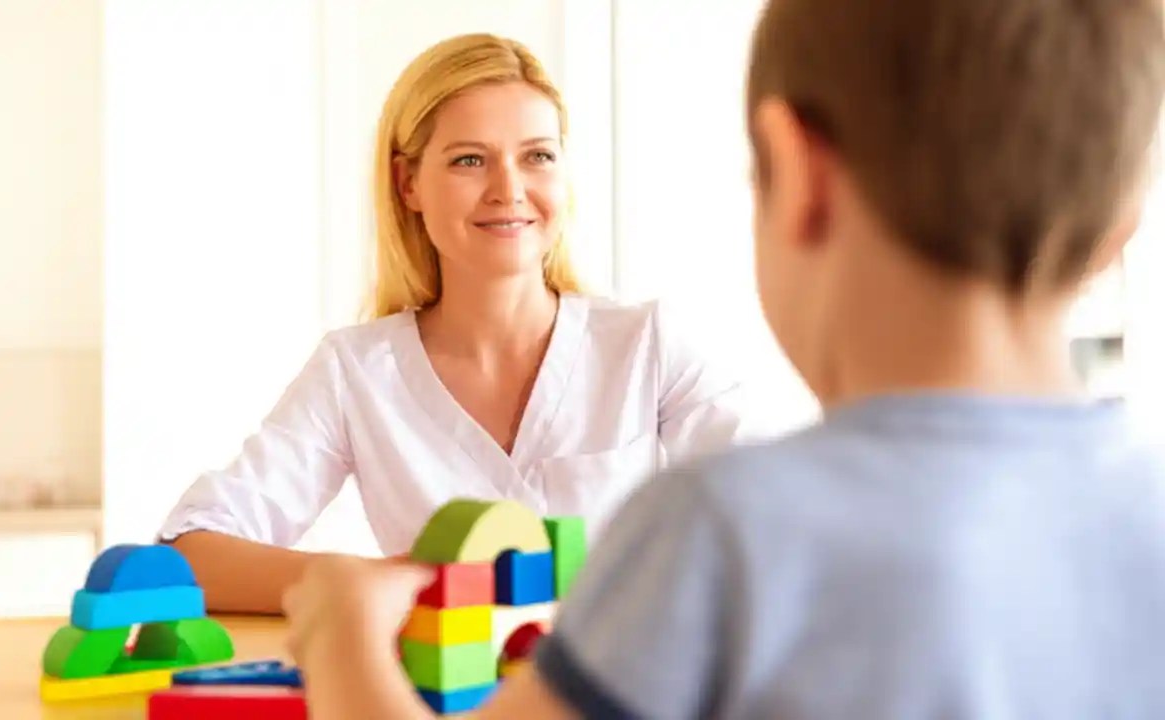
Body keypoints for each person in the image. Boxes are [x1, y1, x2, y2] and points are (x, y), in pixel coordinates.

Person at [281, 0, 1165, 717]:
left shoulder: (721, 529)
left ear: (798, 172)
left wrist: (341, 634)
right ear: (1121, 225)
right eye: (470, 160)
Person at [157, 33, 747, 615]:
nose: (509, 191)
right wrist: (390, 581)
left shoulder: (647, 345)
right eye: (470, 160)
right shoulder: (355, 371)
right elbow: (190, 553)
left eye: (537, 156)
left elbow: (778, 519)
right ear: (407, 183)